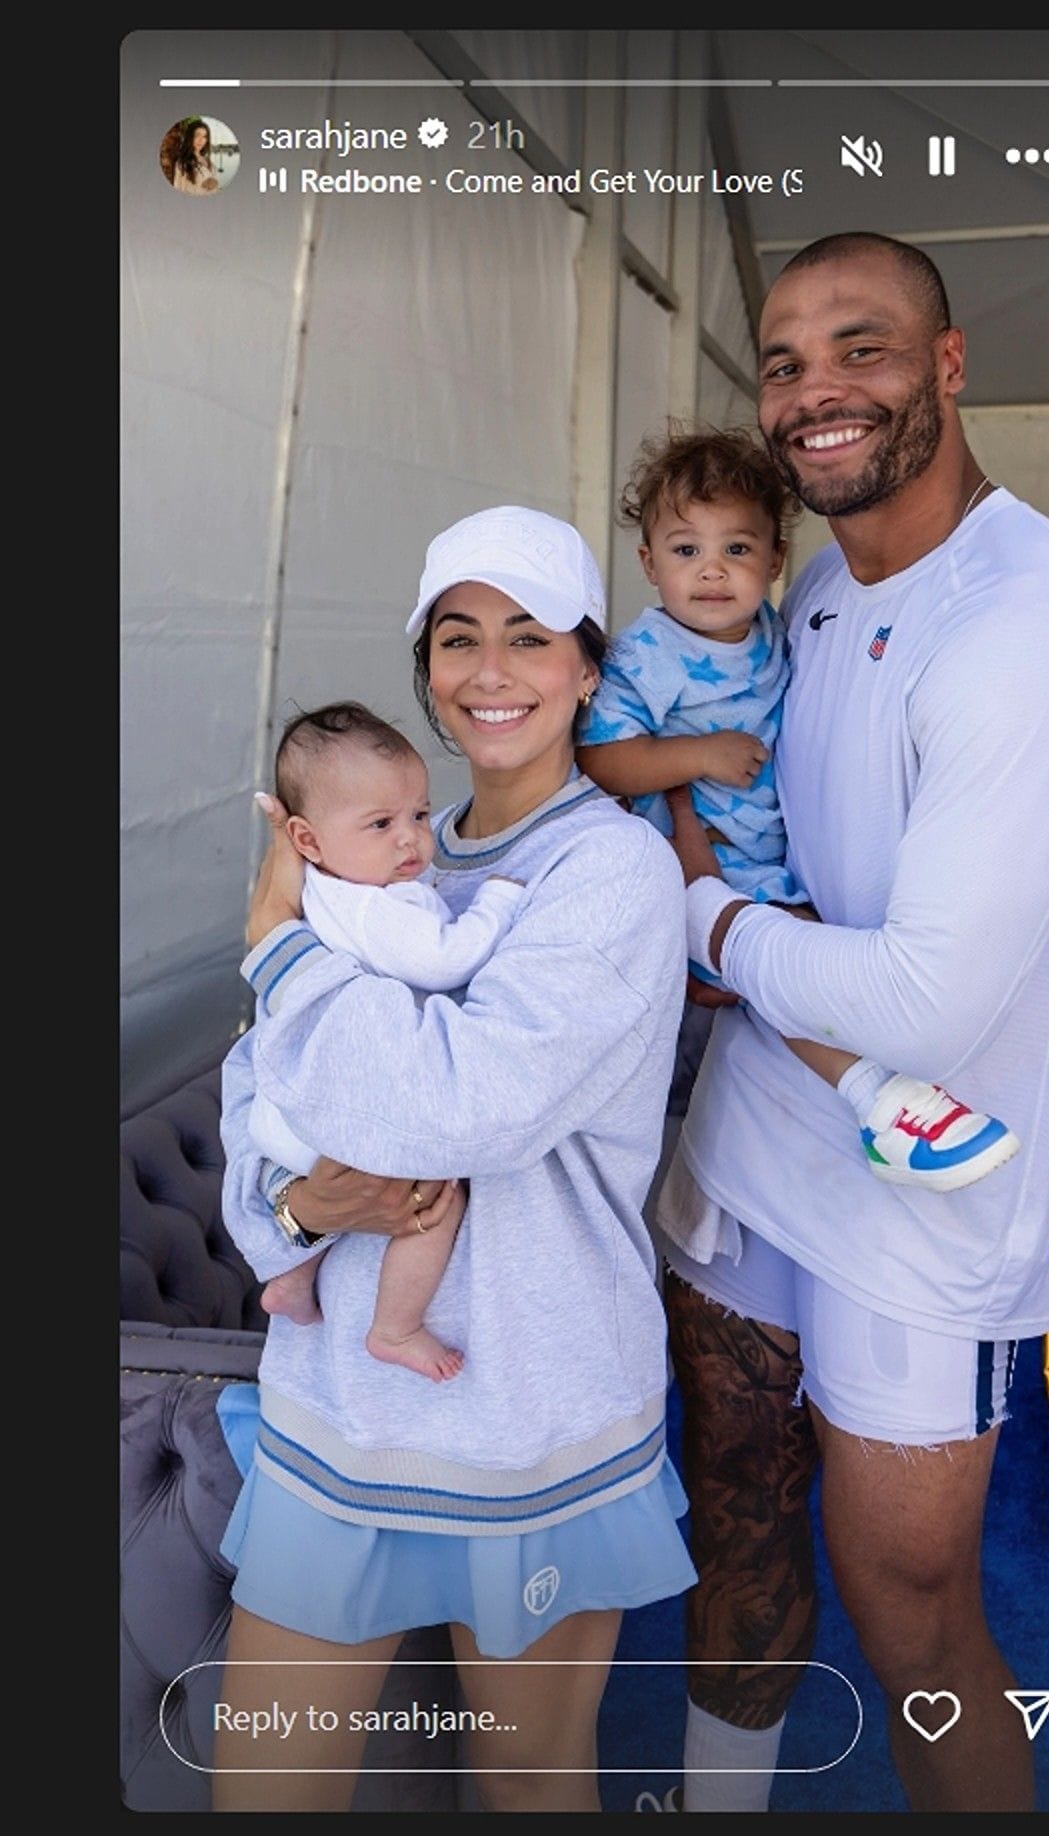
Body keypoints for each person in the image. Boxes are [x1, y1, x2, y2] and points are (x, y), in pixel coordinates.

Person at [640, 232, 1049, 1814]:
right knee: (739, 1526)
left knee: (911, 1614)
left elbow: (925, 1000)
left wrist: (704, 917)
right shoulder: (818, 594)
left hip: (926, 1193)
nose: (815, 393)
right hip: (759, 1134)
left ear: (951, 362)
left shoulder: (1029, 624)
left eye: (862, 348)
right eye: (783, 362)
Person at [212, 504, 698, 1812]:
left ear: (587, 667)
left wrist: (284, 948)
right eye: (456, 637)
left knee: (531, 1791)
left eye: (529, 638)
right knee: (261, 1794)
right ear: (423, 661)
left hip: (531, 1412)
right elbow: (256, 1081)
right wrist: (293, 1206)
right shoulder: (382, 839)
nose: (489, 672)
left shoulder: (608, 877)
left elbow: (465, 1104)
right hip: (342, 1413)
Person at [577, 423, 1019, 1194]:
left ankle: (887, 1099)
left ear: (776, 561)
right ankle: (885, 1104)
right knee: (791, 977)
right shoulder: (646, 656)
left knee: (816, 976)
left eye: (737, 550)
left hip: (765, 863)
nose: (712, 572)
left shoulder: (776, 631)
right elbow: (601, 759)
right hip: (692, 872)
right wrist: (702, 753)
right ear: (648, 564)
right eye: (686, 551)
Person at [249, 698, 529, 1381]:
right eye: (380, 824)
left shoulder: (322, 889)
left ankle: (293, 1274)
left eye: (418, 815)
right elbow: (442, 959)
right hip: (339, 1110)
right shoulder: (379, 905)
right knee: (437, 1199)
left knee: (347, 1195)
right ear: (308, 840)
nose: (409, 839)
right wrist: (496, 901)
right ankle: (396, 1326)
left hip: (287, 1112)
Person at [170, 117, 219, 194]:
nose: (201, 140)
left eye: (204, 136)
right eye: (197, 135)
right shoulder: (182, 163)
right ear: (190, 137)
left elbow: (214, 179)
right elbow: (178, 189)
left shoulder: (207, 160)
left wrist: (215, 182)